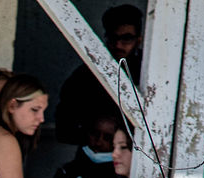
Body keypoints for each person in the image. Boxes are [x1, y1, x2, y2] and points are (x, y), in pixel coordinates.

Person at [56, 3, 142, 147]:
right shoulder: (85, 76)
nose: (119, 45)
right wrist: (96, 138)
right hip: (91, 157)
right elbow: (63, 128)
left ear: (139, 39)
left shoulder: (149, 75)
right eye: (113, 38)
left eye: (126, 38)